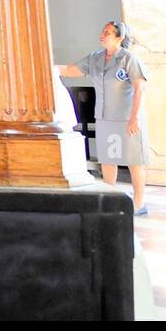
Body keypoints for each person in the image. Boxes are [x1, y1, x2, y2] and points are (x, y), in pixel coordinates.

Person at [58, 21, 151, 215]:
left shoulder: (129, 59)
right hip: (104, 118)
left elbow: (139, 87)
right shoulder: (95, 59)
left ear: (119, 37)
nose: (102, 35)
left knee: (135, 161)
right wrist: (47, 68)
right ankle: (111, 199)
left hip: (127, 119)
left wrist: (134, 117)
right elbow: (70, 70)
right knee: (108, 161)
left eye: (107, 32)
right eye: (103, 31)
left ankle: (139, 204)